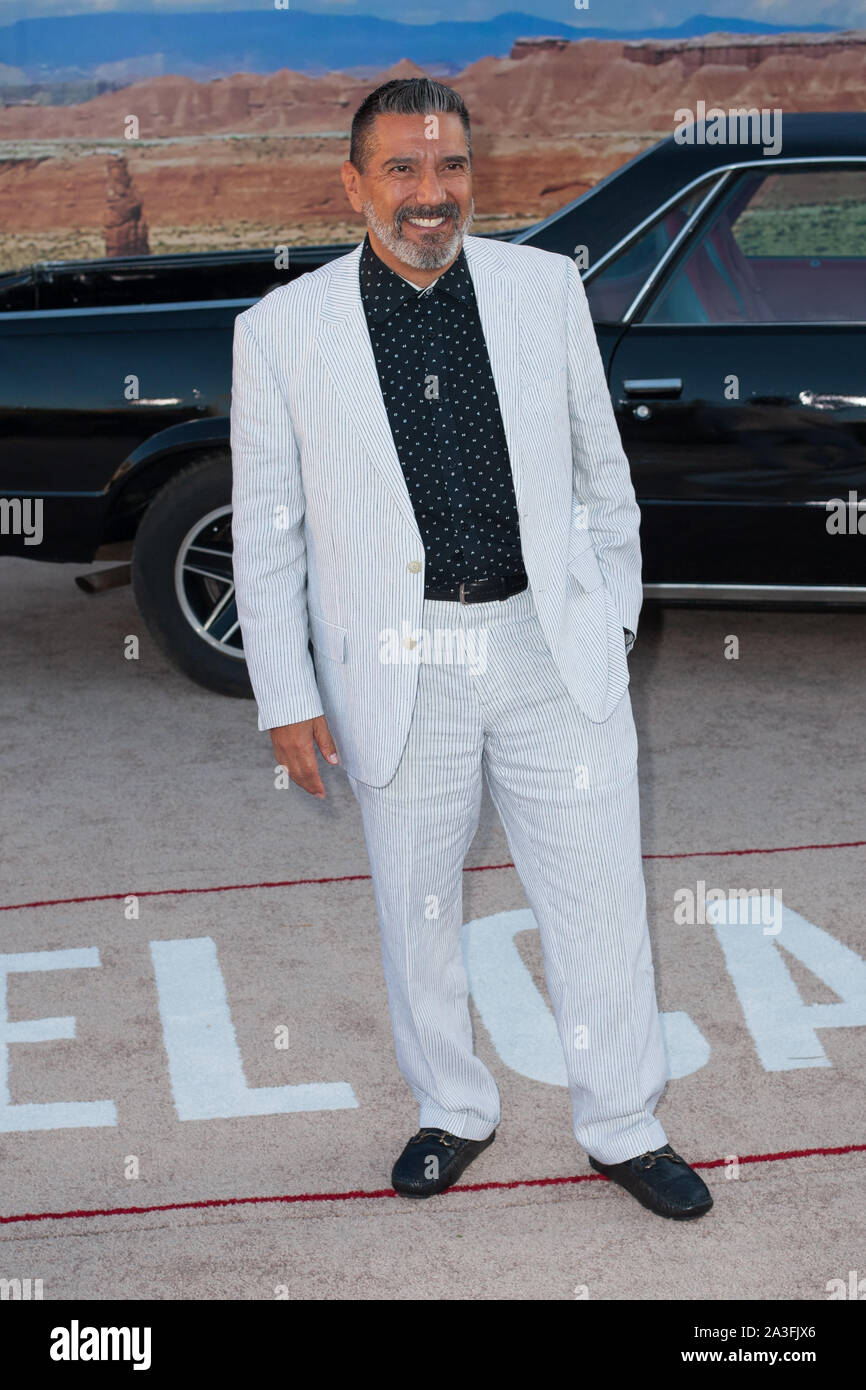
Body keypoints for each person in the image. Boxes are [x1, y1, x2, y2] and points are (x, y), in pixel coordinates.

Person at [230, 77, 712, 1221]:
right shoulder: (280, 333)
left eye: (447, 168)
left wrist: (609, 620)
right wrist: (285, 695)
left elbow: (606, 483)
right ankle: (451, 1108)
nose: (429, 194)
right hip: (401, 658)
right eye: (400, 170)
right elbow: (267, 534)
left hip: (549, 649)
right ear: (354, 184)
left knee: (594, 897)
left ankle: (622, 1124)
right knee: (419, 902)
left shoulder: (542, 290)